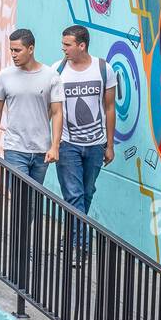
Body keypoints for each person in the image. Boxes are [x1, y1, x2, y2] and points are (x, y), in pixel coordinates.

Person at [56, 25, 116, 252]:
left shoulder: (103, 69)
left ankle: (72, 233)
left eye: (68, 45)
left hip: (95, 145)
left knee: (87, 193)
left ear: (82, 45)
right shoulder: (58, 71)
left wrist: (109, 145)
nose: (64, 49)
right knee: (74, 195)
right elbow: (54, 111)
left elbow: (110, 108)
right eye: (63, 45)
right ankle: (80, 247)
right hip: (67, 144)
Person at [0, 29, 63, 182]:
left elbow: (57, 112)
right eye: (11, 50)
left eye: (18, 50)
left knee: (33, 201)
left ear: (31, 49)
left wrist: (55, 146)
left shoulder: (51, 76)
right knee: (18, 196)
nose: (13, 54)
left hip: (41, 149)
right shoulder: (5, 76)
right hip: (15, 148)